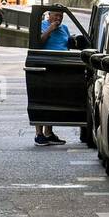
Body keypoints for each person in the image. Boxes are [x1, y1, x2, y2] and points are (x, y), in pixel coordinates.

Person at [34, 11, 70, 146]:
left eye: (61, 16)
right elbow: (38, 43)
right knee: (41, 99)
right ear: (49, 15)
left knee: (54, 100)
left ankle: (49, 132)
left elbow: (67, 44)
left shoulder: (64, 28)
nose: (59, 18)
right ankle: (39, 133)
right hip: (45, 65)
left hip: (61, 66)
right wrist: (50, 29)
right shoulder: (41, 25)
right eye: (56, 15)